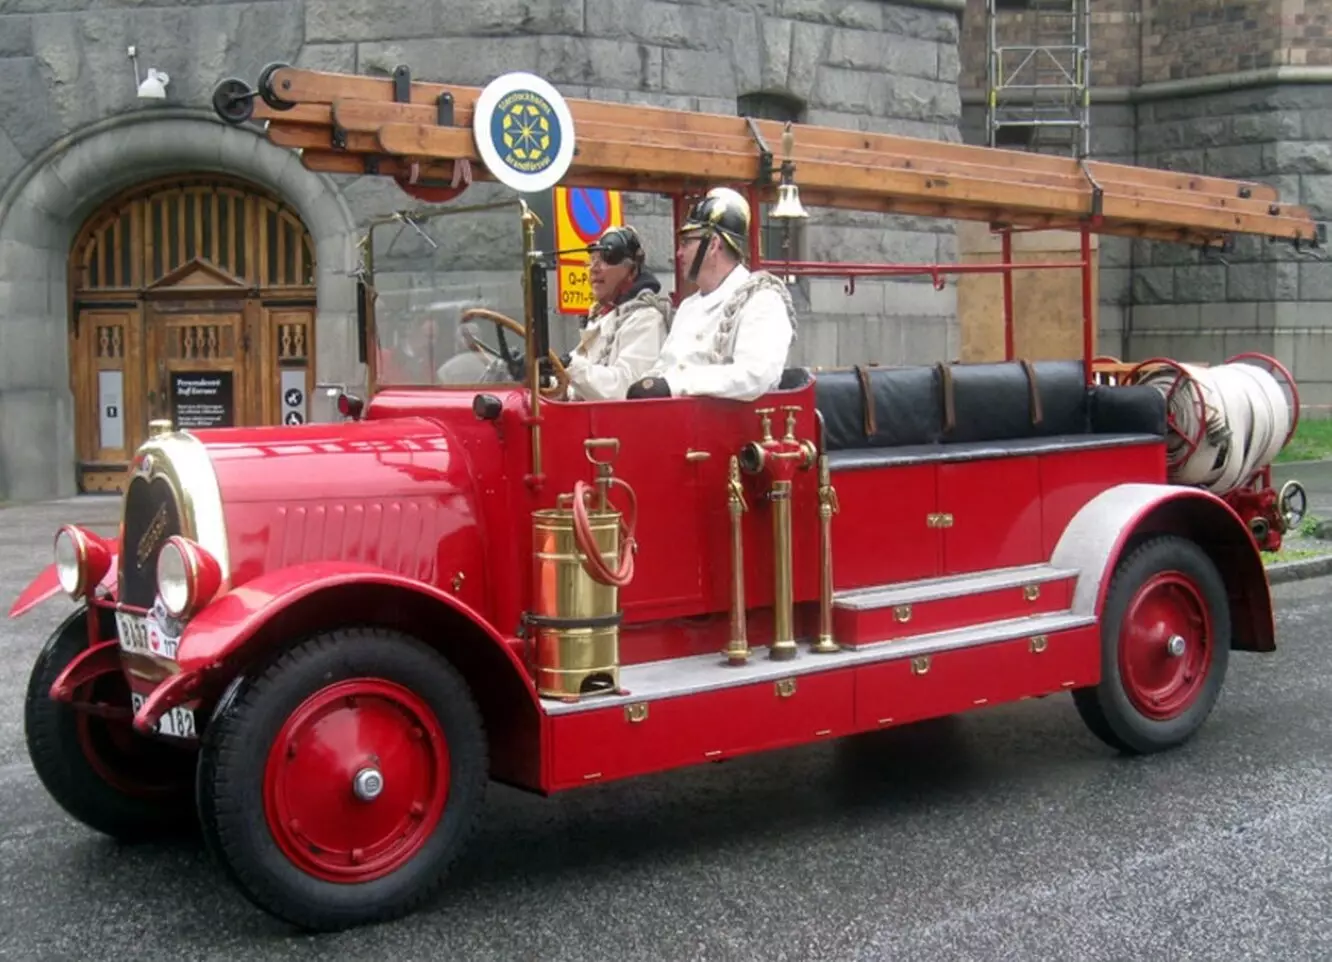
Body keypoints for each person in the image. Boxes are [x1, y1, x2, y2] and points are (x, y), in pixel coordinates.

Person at [626, 187, 796, 401]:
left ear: (713, 244)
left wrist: (675, 385)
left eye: (686, 243)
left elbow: (754, 375)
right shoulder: (689, 307)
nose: (679, 253)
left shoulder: (762, 300)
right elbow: (665, 368)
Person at [557, 225, 671, 401]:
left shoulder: (646, 319)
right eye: (592, 260)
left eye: (606, 259)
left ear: (631, 270)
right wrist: (548, 377)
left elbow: (626, 388)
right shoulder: (601, 317)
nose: (594, 269)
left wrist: (569, 366)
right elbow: (577, 388)